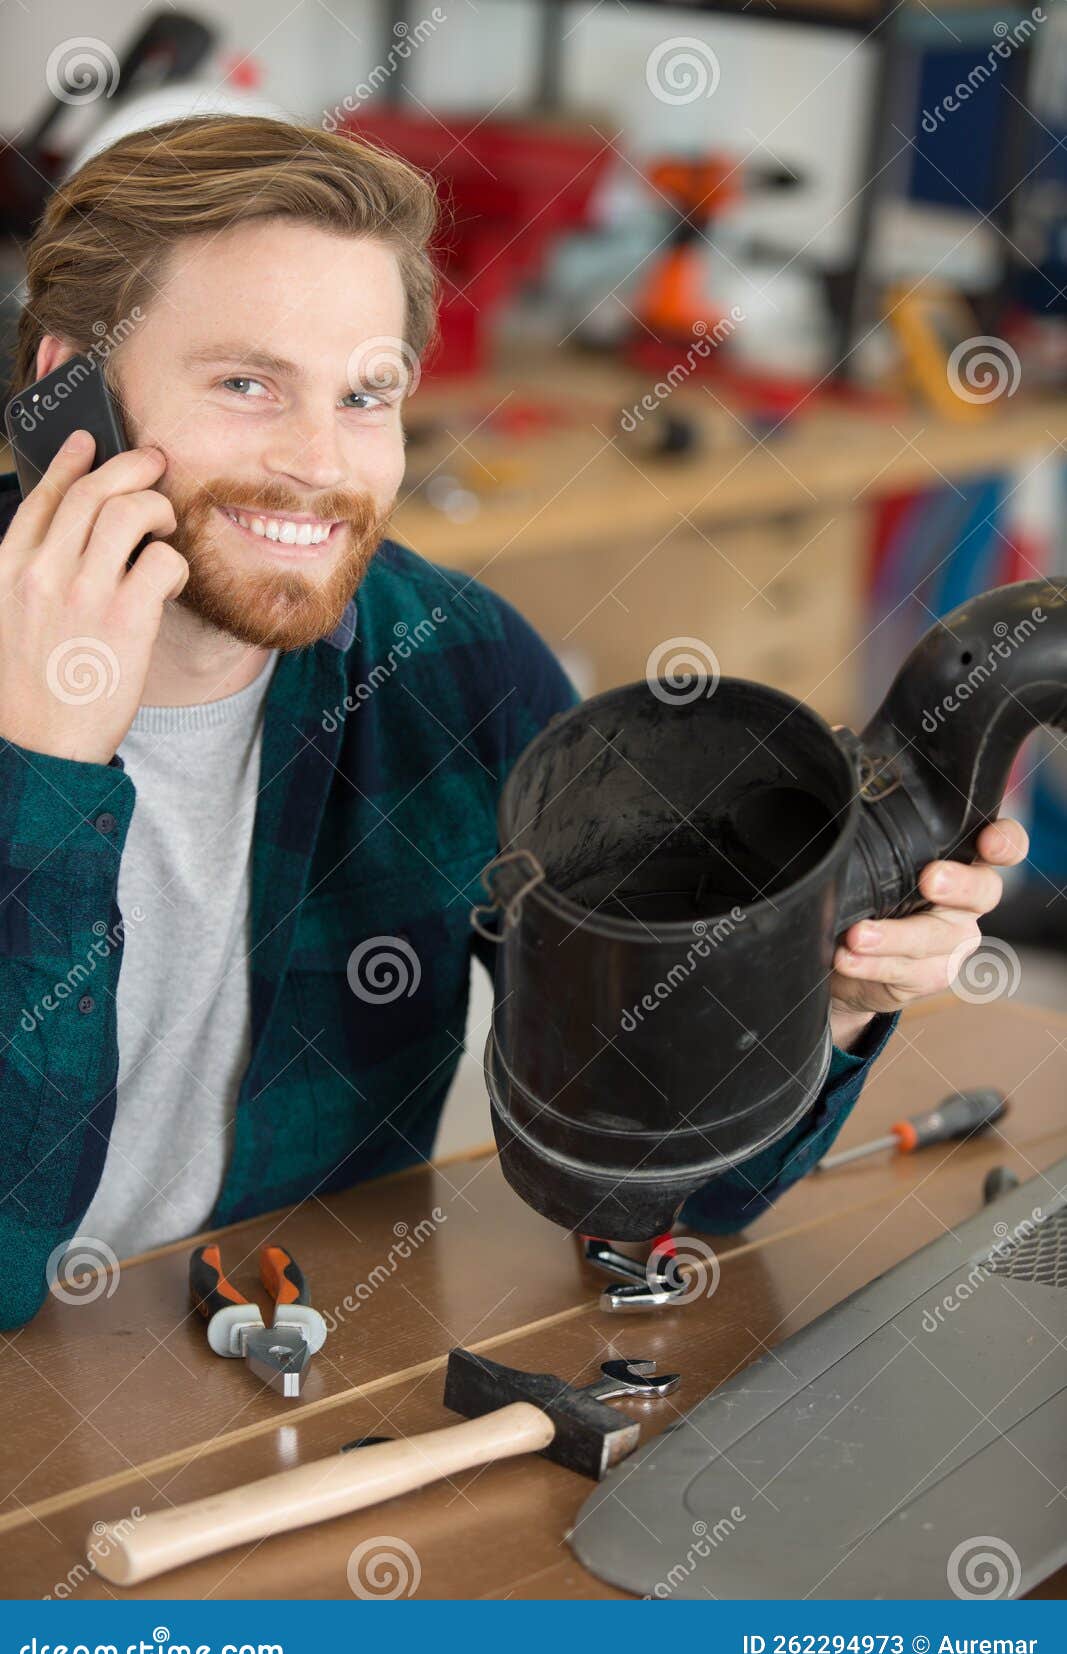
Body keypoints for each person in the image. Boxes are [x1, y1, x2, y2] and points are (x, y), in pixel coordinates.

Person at [0, 116, 1027, 1328]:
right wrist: (48, 774)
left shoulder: (448, 663)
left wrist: (823, 1000)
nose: (321, 465)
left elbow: (658, 1195)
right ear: (71, 386)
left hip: (279, 1362)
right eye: (245, 384)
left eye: (366, 394)